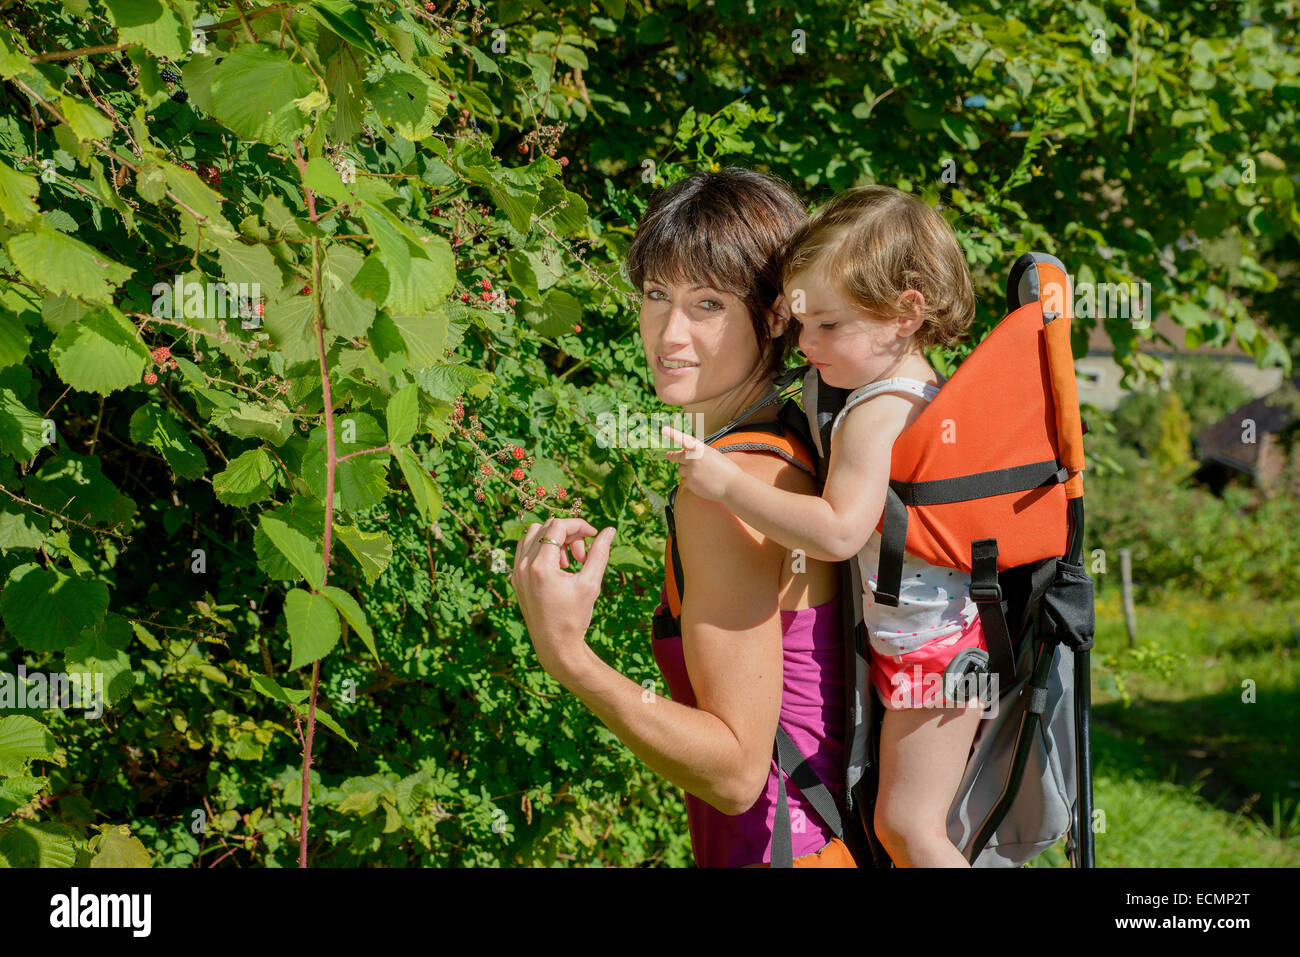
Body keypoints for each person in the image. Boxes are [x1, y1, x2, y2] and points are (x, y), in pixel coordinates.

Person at [510, 168, 854, 867]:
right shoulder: (782, 449)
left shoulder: (730, 490)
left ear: (776, 315)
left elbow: (735, 772)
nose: (669, 333)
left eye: (706, 303)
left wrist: (568, 654)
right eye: (656, 295)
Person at [663, 185, 982, 867]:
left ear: (906, 312)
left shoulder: (876, 410)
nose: (807, 344)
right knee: (904, 824)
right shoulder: (880, 386)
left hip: (935, 654)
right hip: (927, 646)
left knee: (913, 827)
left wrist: (725, 485)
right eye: (798, 323)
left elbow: (838, 531)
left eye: (827, 326)